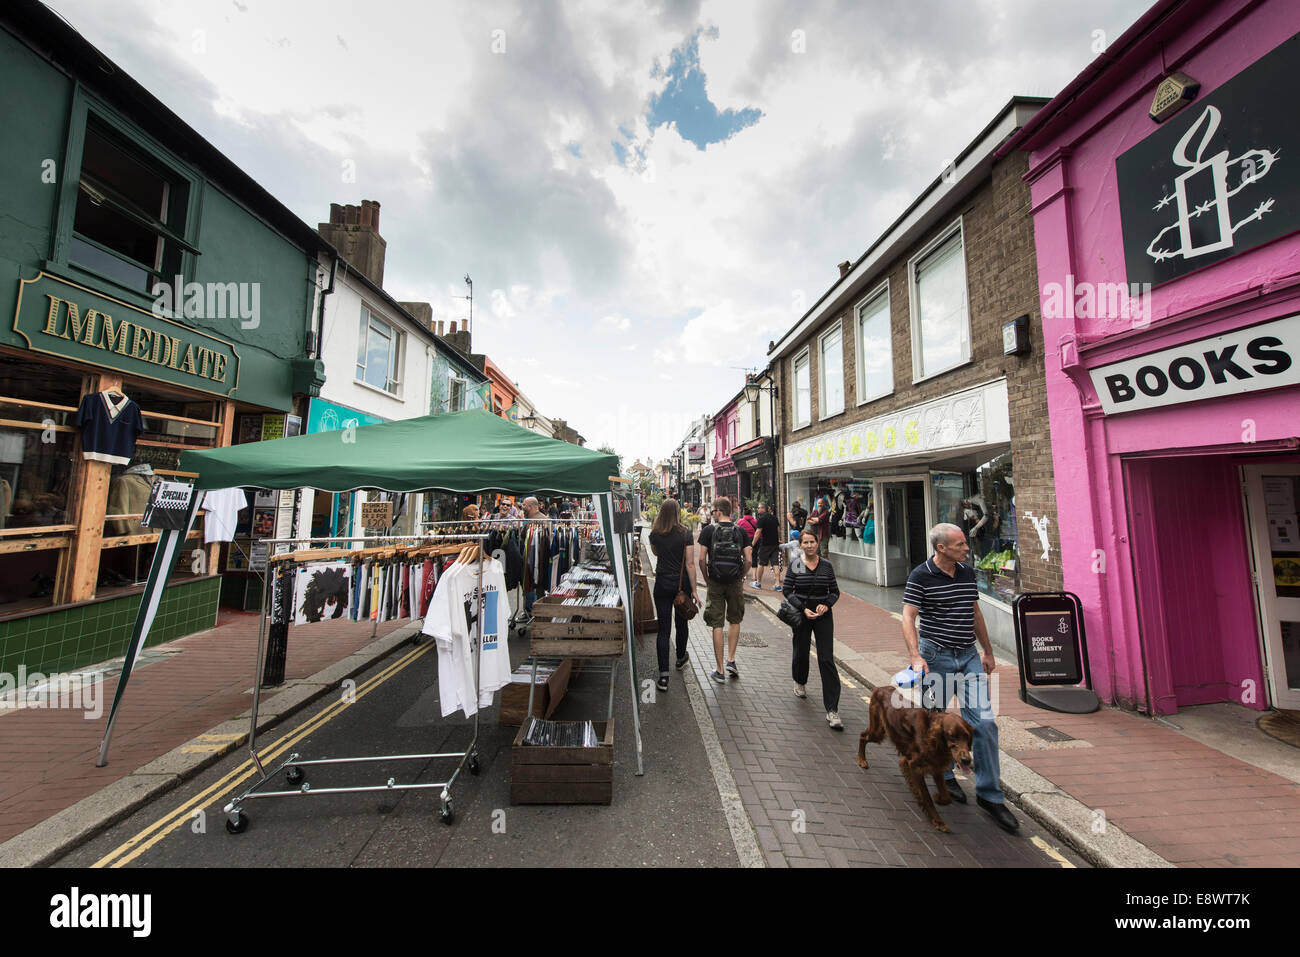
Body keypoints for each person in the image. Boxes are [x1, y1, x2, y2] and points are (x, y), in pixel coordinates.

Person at [902, 523, 1019, 834]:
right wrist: (916, 656)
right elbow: (908, 617)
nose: (966, 548)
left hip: (968, 657)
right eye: (960, 544)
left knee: (984, 723)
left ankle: (990, 796)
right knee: (934, 722)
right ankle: (947, 776)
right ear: (941, 548)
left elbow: (974, 612)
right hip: (935, 657)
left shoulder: (966, 572)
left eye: (965, 544)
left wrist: (988, 652)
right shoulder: (920, 576)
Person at [782, 528, 844, 729]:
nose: (809, 545)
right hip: (802, 614)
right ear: (800, 545)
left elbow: (834, 591)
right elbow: (787, 590)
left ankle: (832, 709)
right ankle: (799, 681)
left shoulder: (826, 566)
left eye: (812, 542)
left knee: (826, 658)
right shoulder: (797, 565)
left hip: (823, 615)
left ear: (817, 543)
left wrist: (827, 604)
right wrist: (802, 608)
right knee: (801, 651)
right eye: (805, 542)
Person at [696, 496, 751, 684]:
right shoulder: (741, 531)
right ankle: (731, 660)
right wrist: (741, 576)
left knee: (717, 623)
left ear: (719, 511)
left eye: (713, 511)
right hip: (735, 581)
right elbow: (749, 560)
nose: (712, 515)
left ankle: (719, 670)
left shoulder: (709, 531)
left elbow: (702, 559)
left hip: (716, 581)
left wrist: (706, 578)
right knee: (735, 619)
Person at [648, 499, 694, 692]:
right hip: (681, 585)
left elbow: (656, 554)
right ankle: (681, 657)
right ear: (677, 512)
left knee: (663, 630)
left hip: (662, 582)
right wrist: (695, 590)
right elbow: (690, 563)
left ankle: (664, 677)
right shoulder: (685, 533)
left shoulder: (654, 534)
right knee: (681, 623)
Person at [750, 501, 783, 591]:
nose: (758, 509)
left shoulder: (761, 519)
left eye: (759, 508)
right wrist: (778, 539)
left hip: (765, 544)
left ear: (763, 509)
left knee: (761, 563)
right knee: (775, 563)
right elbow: (778, 530)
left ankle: (758, 583)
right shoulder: (774, 518)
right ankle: (777, 584)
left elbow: (757, 532)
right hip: (775, 544)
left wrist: (752, 544)